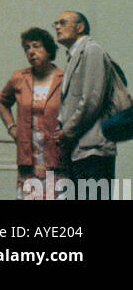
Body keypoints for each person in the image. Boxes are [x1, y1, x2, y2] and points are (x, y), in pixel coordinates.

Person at [54, 10, 118, 199]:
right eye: (56, 23)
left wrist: (67, 131)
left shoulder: (91, 50)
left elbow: (91, 100)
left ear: (80, 27)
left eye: (62, 22)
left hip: (94, 150)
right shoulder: (74, 55)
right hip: (81, 149)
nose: (57, 27)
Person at [0, 27, 64, 199]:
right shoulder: (20, 77)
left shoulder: (64, 78)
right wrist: (12, 127)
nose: (31, 52)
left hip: (55, 156)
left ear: (49, 50)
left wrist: (68, 132)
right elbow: (2, 102)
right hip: (28, 157)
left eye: (36, 46)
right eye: (27, 48)